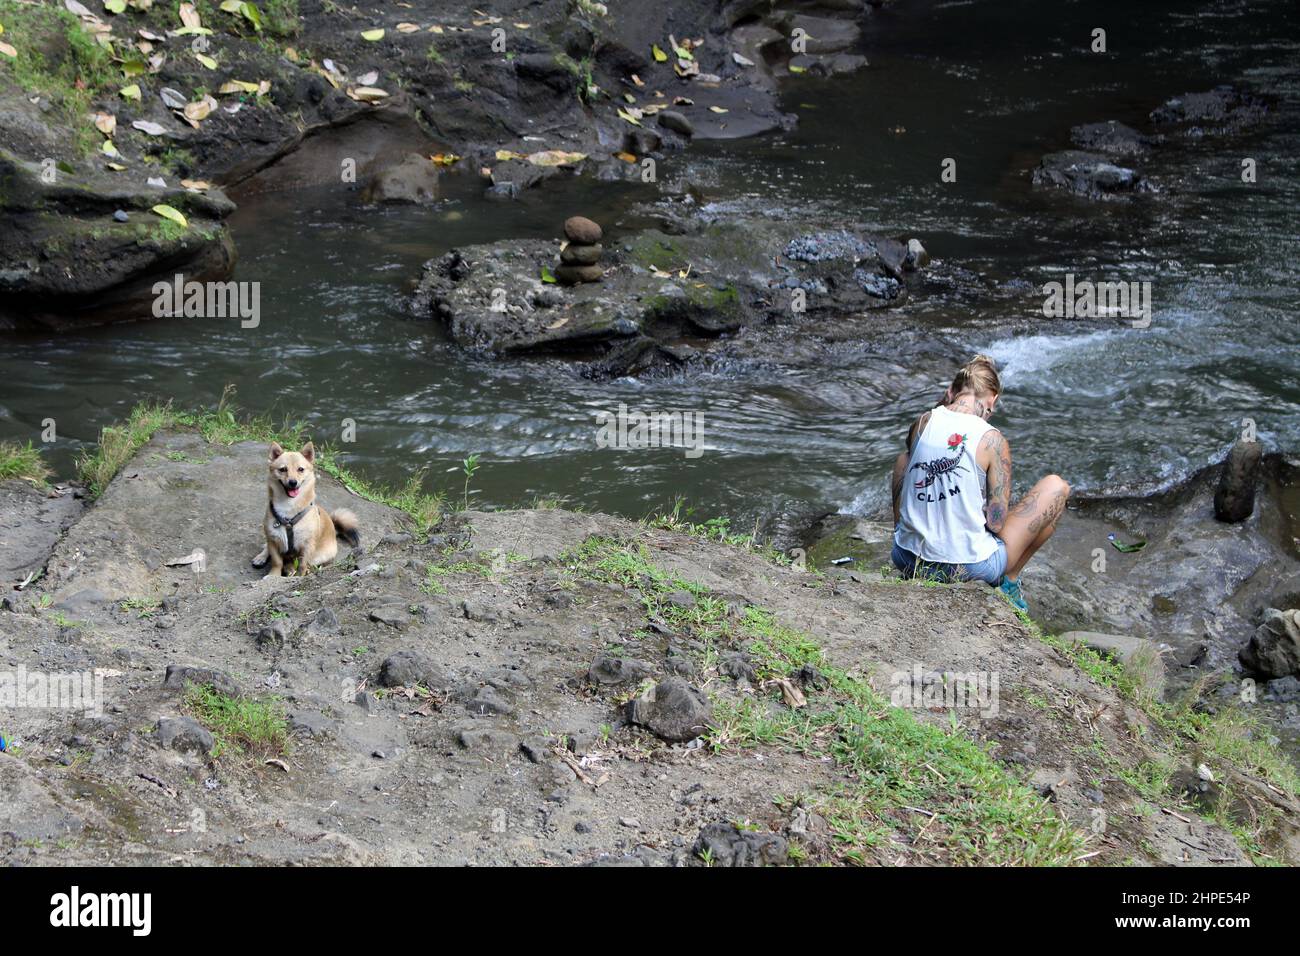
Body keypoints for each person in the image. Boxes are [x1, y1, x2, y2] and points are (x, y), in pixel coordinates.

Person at [889, 354, 1070, 613]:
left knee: (903, 460)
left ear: (949, 392)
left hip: (906, 559)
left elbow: (914, 462)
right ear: (992, 401)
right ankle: (1009, 581)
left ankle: (906, 536)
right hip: (967, 569)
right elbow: (995, 524)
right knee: (1056, 487)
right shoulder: (992, 439)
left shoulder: (923, 421)